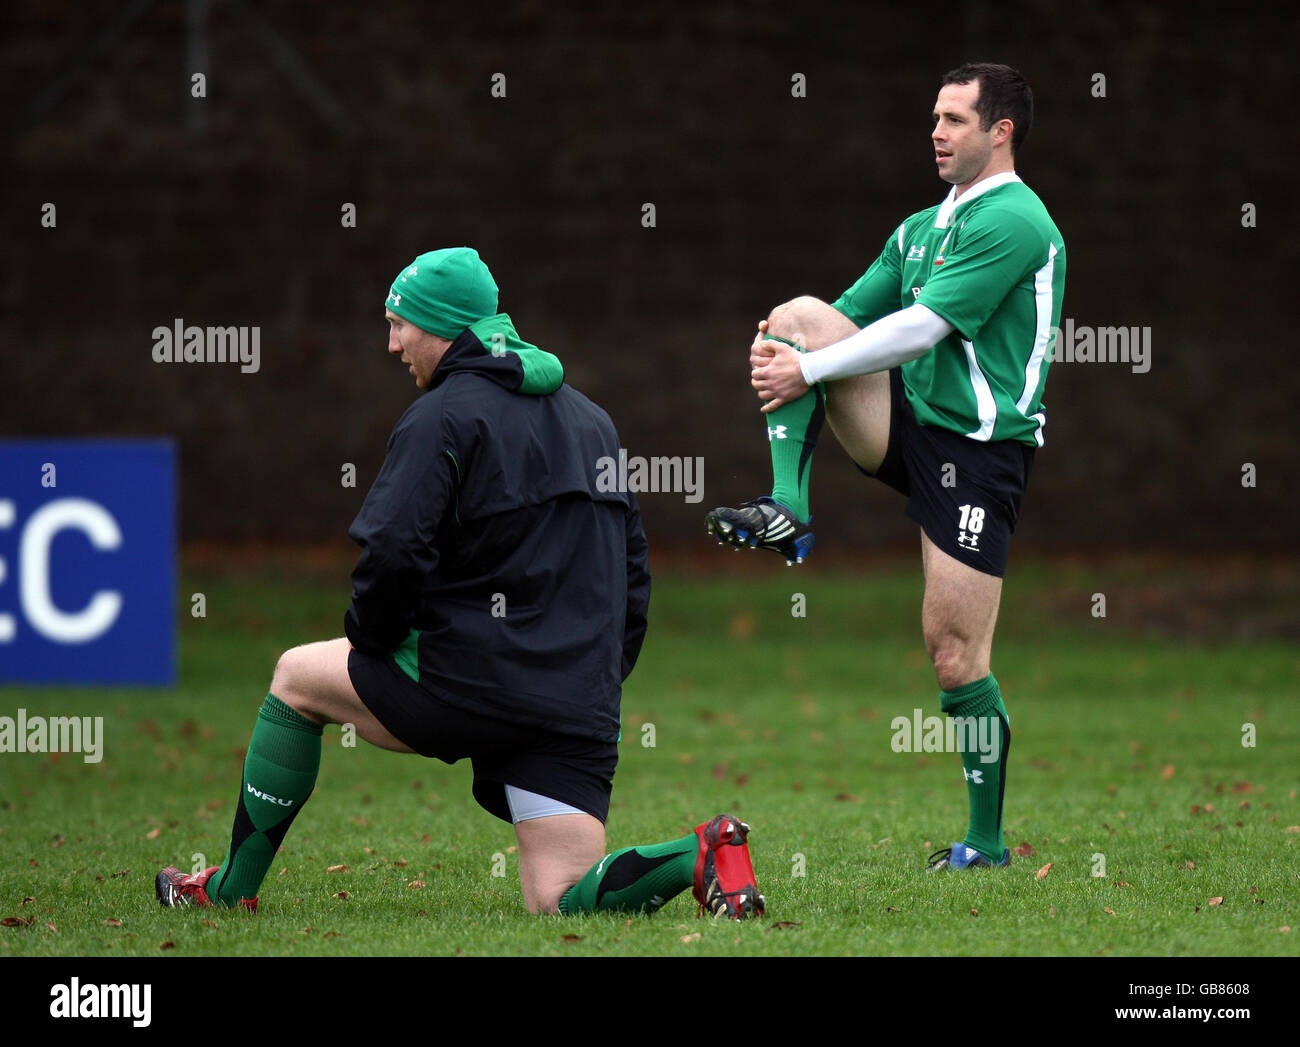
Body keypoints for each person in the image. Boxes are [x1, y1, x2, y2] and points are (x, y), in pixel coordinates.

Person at [157, 247, 763, 918]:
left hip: (460, 685)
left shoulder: (440, 417)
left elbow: (391, 551)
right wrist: (596, 678)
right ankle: (701, 851)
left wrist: (374, 644)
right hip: (571, 702)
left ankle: (227, 888)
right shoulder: (594, 420)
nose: (391, 344)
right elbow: (634, 572)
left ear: (440, 325)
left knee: (296, 676)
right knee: (559, 898)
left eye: (399, 324)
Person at [706, 64, 1066, 871]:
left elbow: (923, 329)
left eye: (955, 119)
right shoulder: (919, 227)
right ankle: (785, 508)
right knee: (797, 317)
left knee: (954, 654)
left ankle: (986, 842)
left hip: (980, 455)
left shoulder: (1016, 220)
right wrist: (783, 349)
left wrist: (809, 371)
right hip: (913, 426)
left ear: (1001, 131)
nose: (936, 132)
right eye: (934, 116)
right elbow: (844, 319)